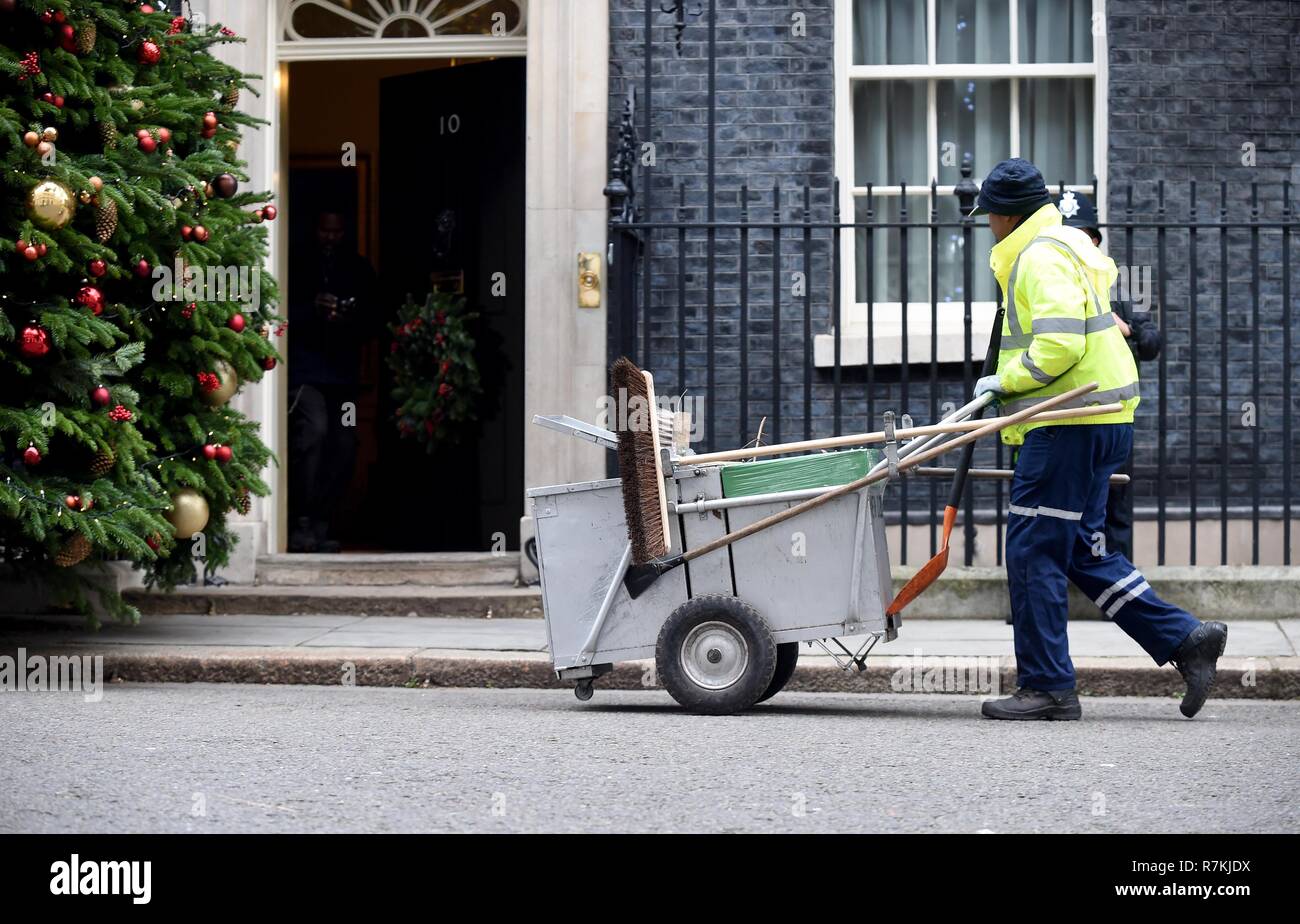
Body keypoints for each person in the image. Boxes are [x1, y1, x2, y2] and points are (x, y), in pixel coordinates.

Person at [968, 158, 1226, 721]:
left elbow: (1059, 344)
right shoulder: (1070, 249)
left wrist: (1006, 380)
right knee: (1083, 548)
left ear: (1008, 217)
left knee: (1033, 549)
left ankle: (1048, 688)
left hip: (1067, 425)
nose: (987, 225)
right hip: (1104, 419)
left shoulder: (1037, 258)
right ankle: (1186, 640)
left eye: (989, 215)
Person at [1058, 191, 1161, 560]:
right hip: (1063, 415)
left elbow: (1152, 342)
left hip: (1111, 414)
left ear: (1095, 241)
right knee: (1056, 505)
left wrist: (1127, 329)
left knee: (1115, 503)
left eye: (1080, 236)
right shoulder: (1050, 282)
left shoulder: (1122, 284)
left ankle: (1115, 596)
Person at [287, 210, 379, 553]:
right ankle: (301, 523)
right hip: (304, 374)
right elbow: (278, 312)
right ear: (315, 230)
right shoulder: (294, 263)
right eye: (325, 230)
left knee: (343, 446)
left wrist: (347, 316)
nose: (331, 238)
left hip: (343, 376)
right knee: (313, 435)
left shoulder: (358, 269)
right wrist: (313, 309)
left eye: (337, 231)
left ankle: (322, 524)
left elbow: (374, 320)